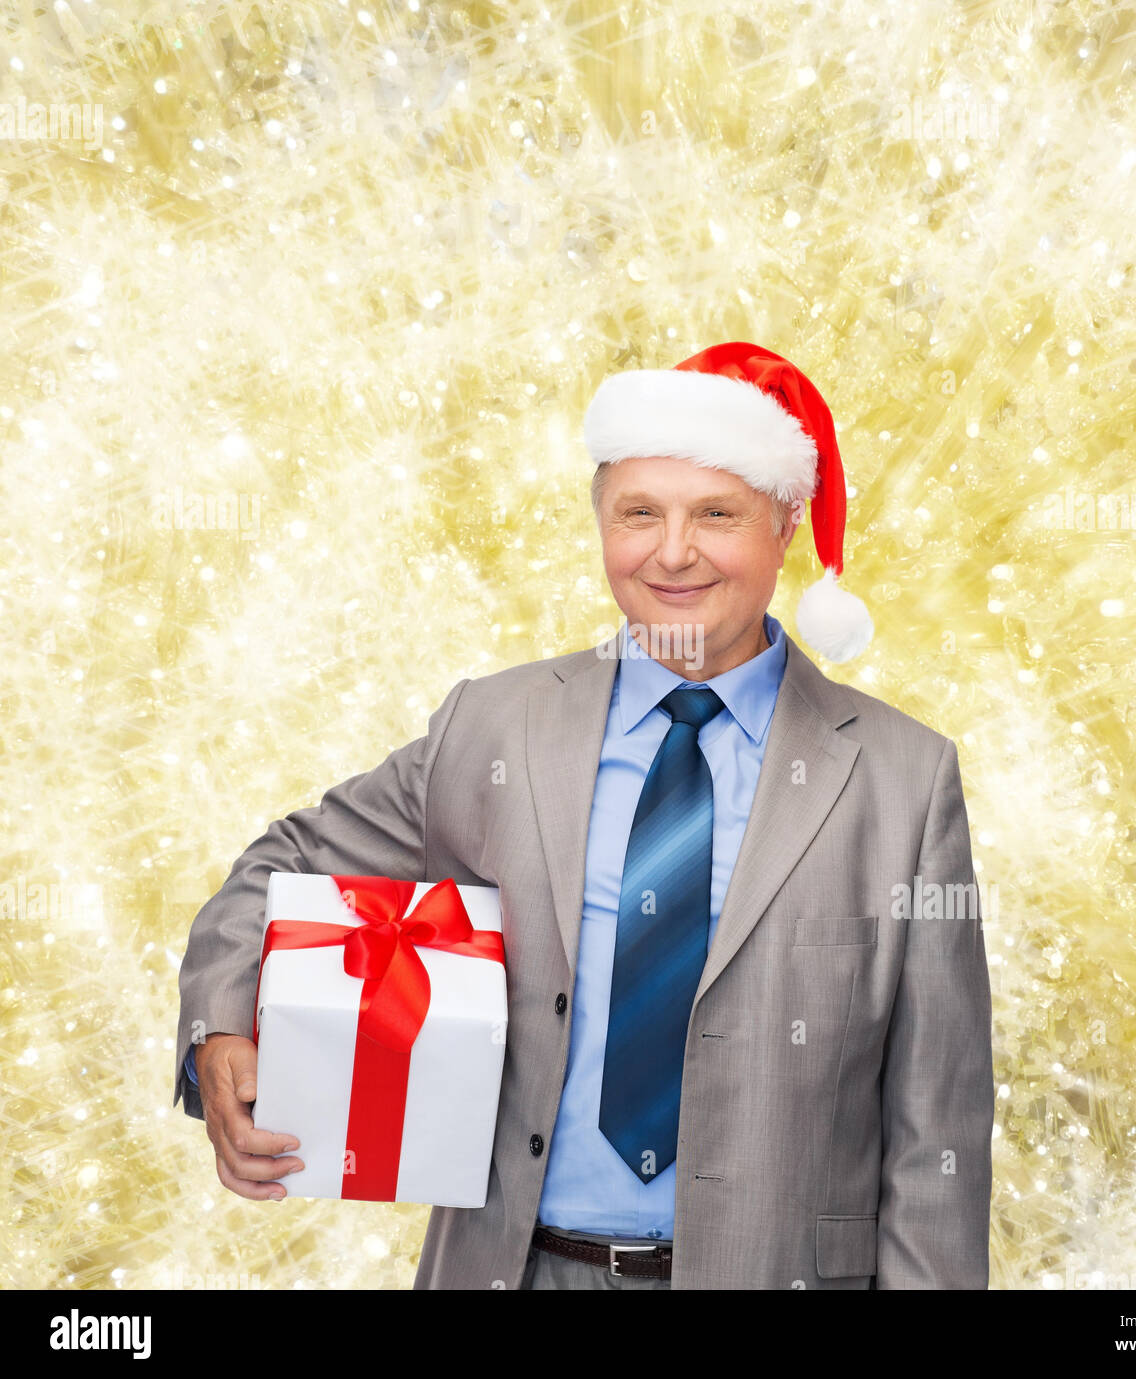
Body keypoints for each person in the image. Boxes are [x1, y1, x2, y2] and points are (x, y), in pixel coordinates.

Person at [175, 341, 994, 1289]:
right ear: (603, 523)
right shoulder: (496, 727)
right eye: (638, 513)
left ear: (785, 524)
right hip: (515, 1270)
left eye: (716, 515)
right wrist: (223, 1028)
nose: (673, 551)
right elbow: (285, 865)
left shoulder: (902, 779)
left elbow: (938, 1133)